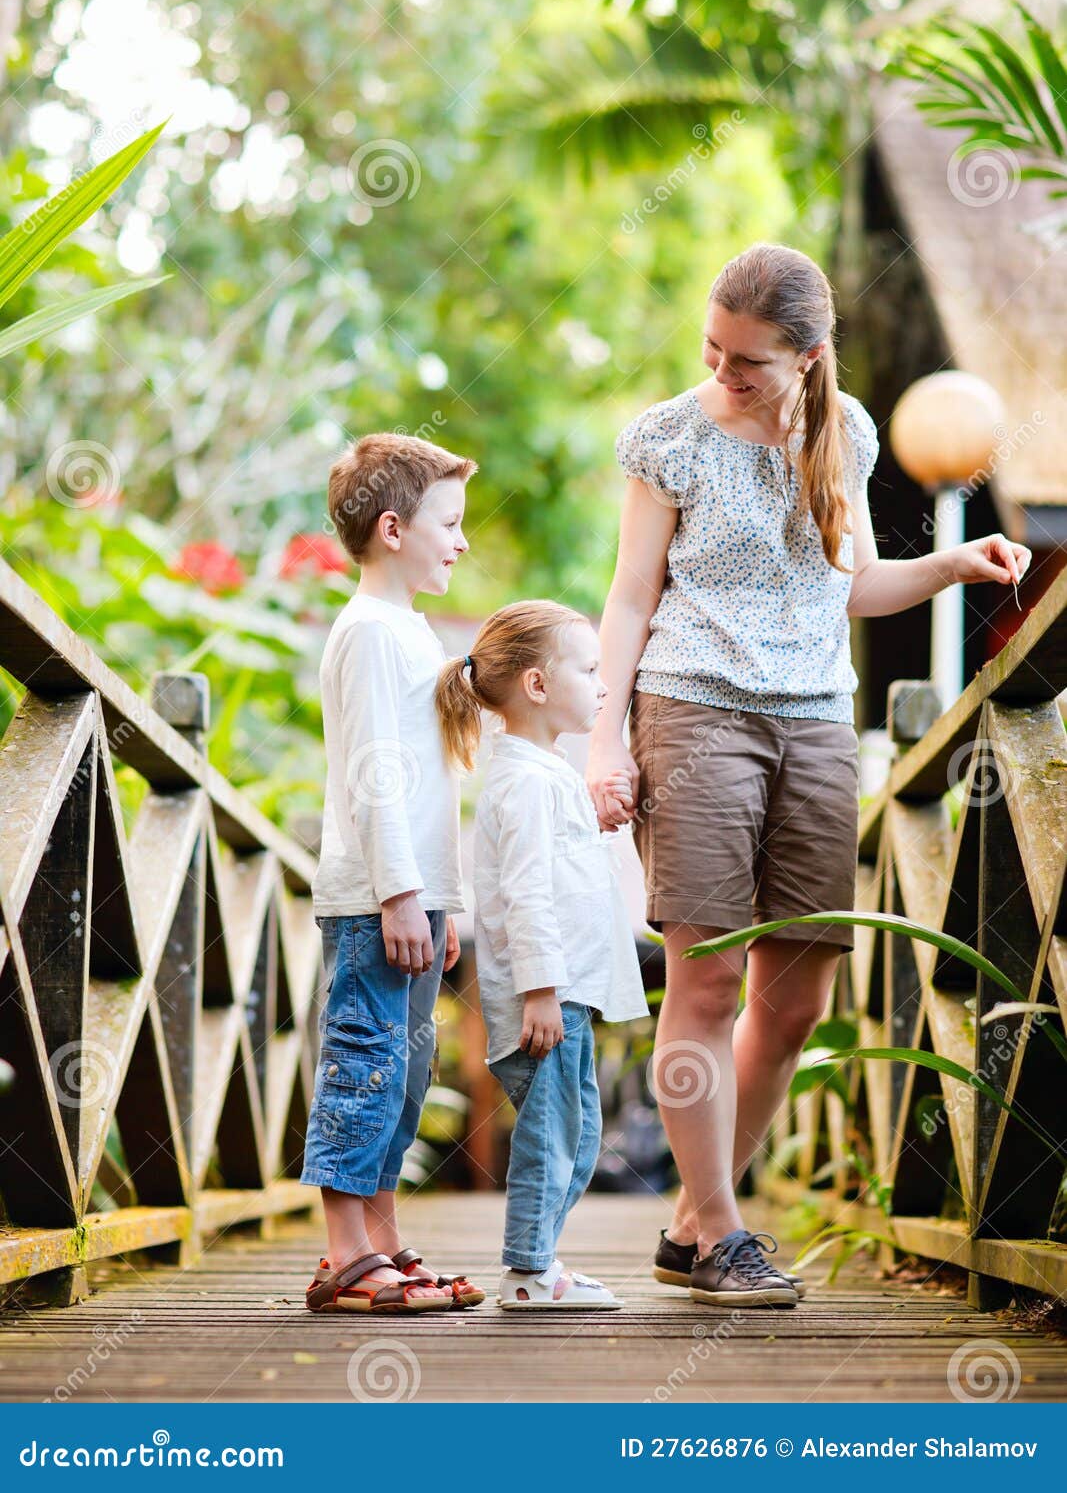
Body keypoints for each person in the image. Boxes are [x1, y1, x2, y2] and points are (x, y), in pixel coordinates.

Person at [586, 241, 1032, 1309]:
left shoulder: (846, 429)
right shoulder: (667, 436)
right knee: (705, 983)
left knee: (794, 1000)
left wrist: (951, 568)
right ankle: (724, 1235)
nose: (724, 373)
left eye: (748, 360)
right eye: (713, 349)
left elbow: (850, 583)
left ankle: (694, 1223)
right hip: (692, 709)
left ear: (808, 356)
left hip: (816, 721)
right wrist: (604, 738)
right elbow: (626, 598)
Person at [302, 431, 486, 1315]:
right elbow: (374, 775)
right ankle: (344, 1254)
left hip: (413, 898)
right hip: (377, 899)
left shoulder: (408, 631)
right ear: (390, 529)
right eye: (447, 524)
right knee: (365, 1062)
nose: (459, 540)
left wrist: (443, 903)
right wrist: (401, 896)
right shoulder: (371, 633)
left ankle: (380, 1238)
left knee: (405, 1074)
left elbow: (429, 779)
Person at [436, 600, 649, 1309]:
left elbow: (555, 859)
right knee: (554, 1135)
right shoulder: (524, 780)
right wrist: (539, 991)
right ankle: (527, 1271)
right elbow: (525, 893)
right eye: (587, 670)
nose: (602, 684)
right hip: (545, 999)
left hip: (567, 993)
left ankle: (542, 1263)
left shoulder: (541, 770)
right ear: (535, 685)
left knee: (579, 1133)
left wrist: (591, 816)